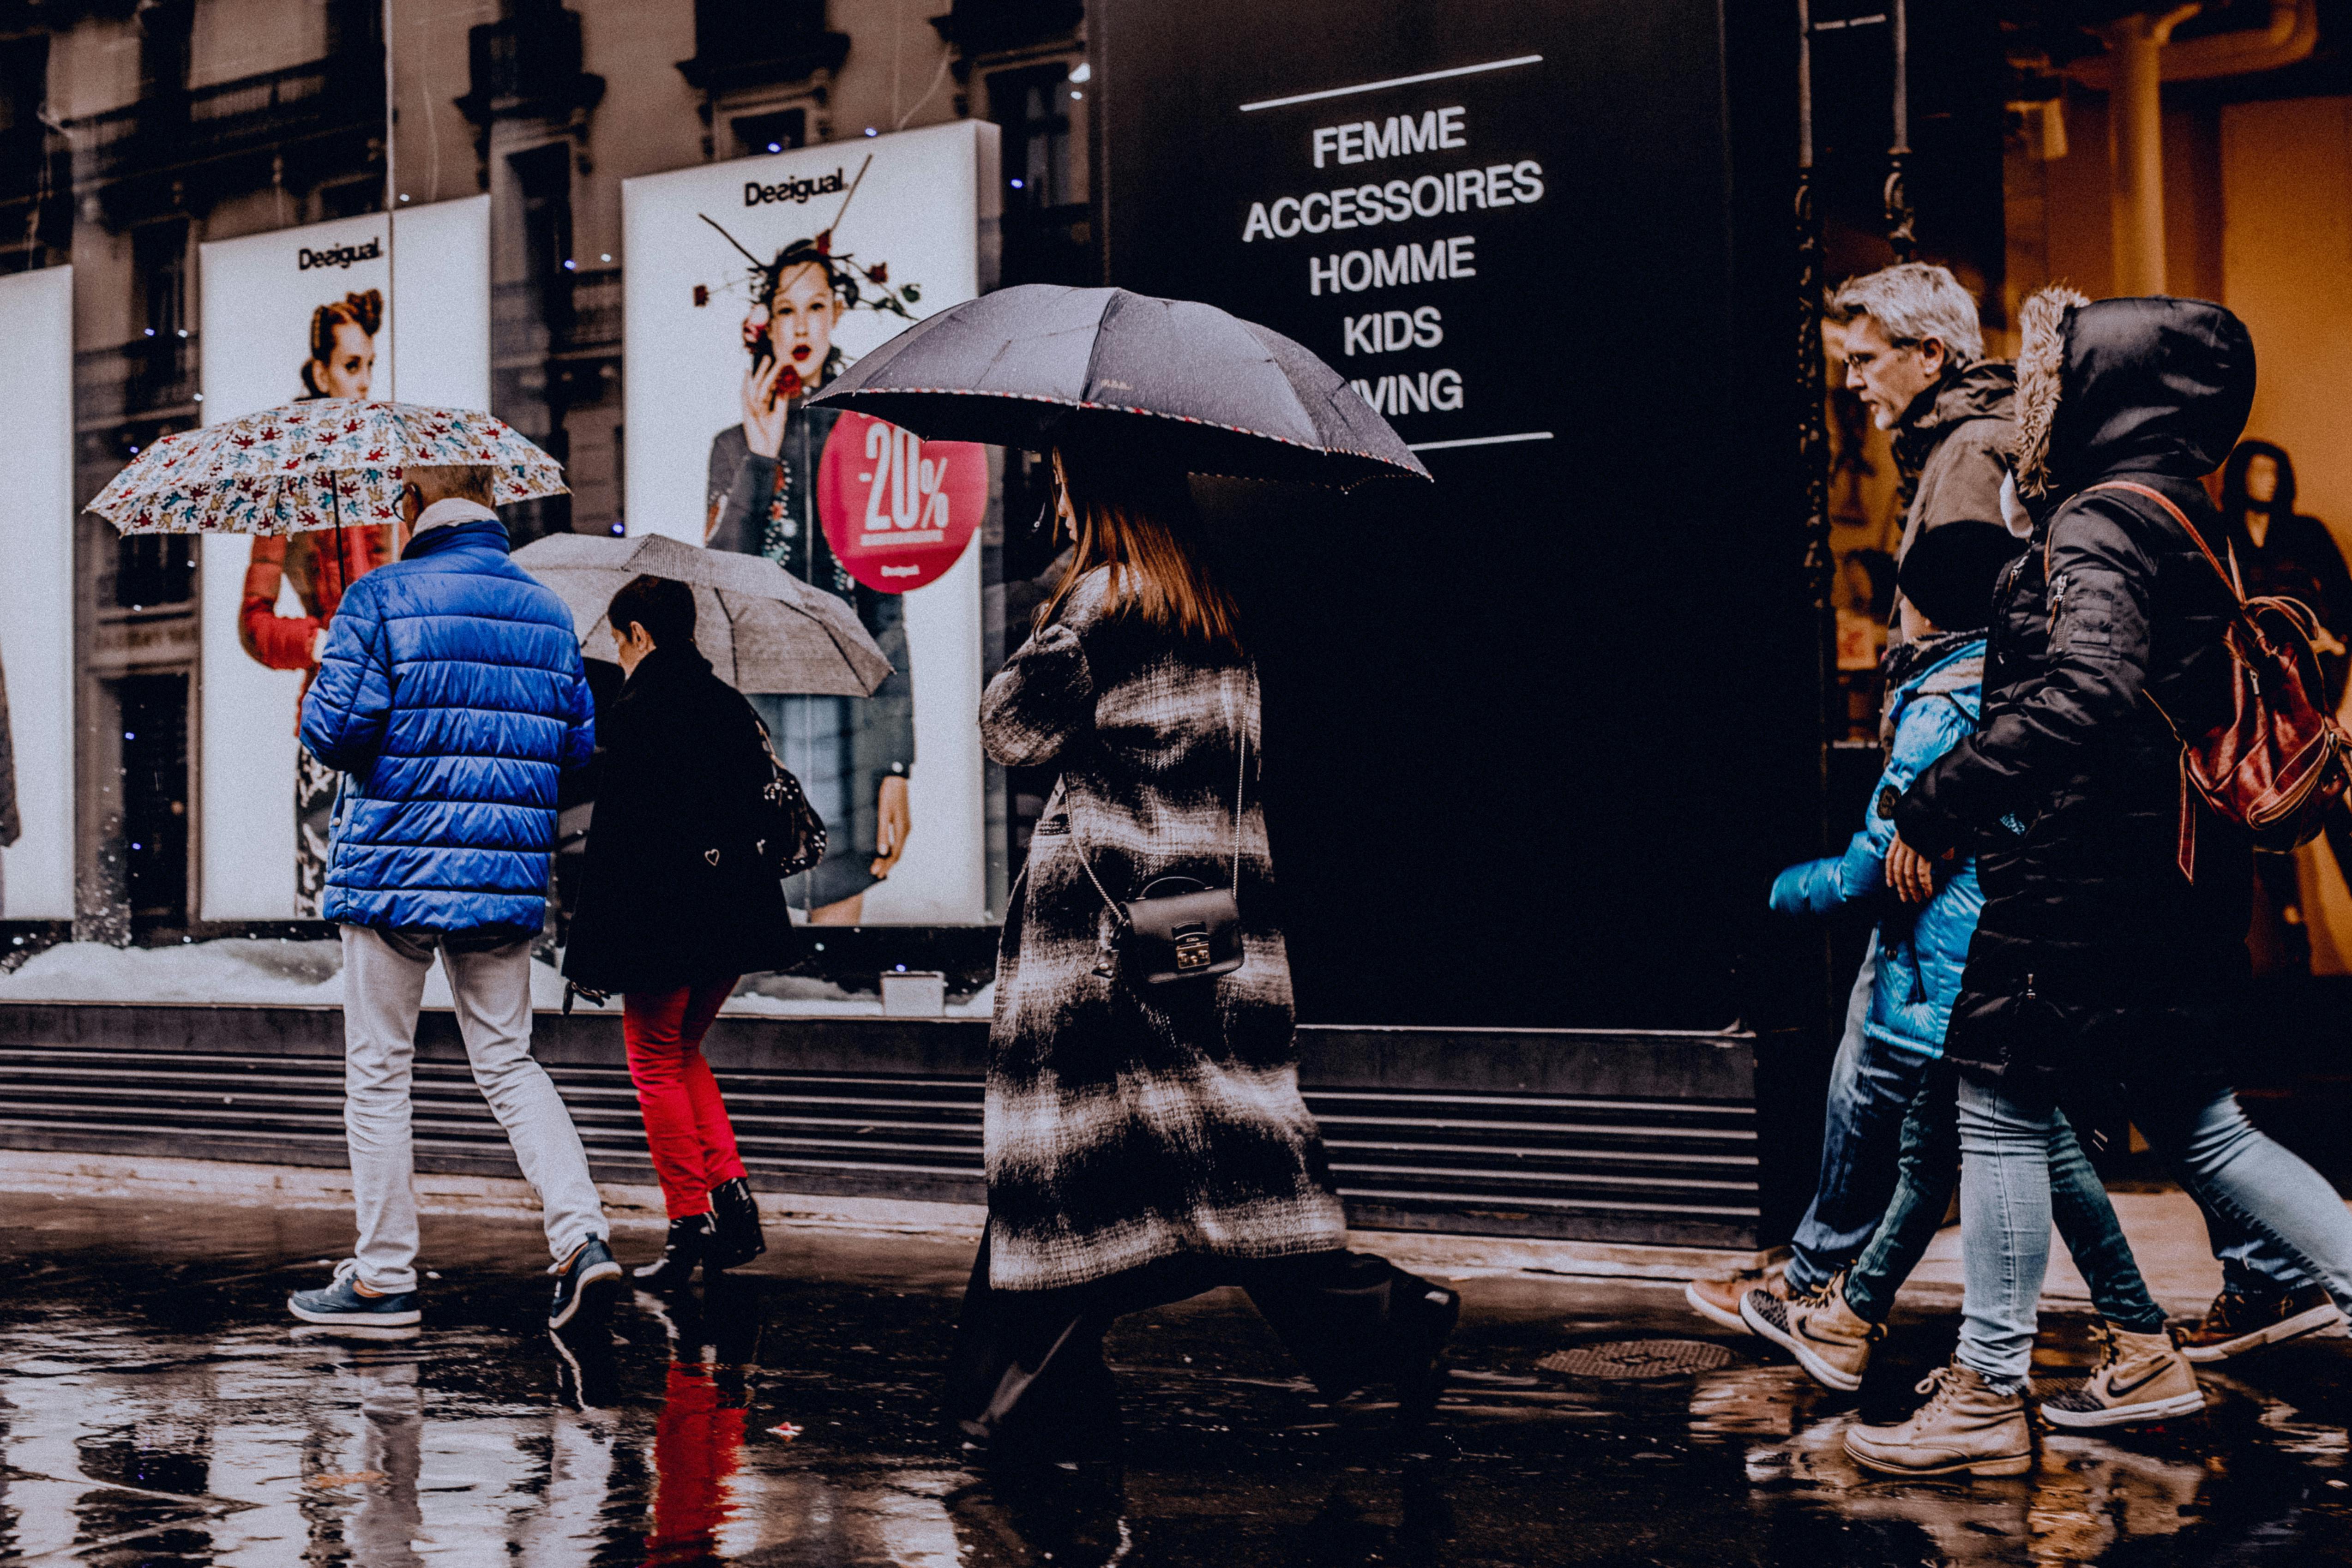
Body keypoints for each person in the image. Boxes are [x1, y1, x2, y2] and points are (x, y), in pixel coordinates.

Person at [1854, 289, 2352, 1476]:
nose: (2043, 394)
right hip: (2167, 879)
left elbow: (2084, 691)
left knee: (1995, 1104)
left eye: (2055, 374)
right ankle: (2098, 1363)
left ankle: (1983, 1391)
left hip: (2079, 881)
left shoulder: (2092, 521)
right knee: (2200, 1125)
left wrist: (1942, 796)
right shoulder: (2180, 507)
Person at [945, 440, 1458, 1457]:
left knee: (1075, 1169)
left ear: (1095, 485)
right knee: (1209, 1159)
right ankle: (1370, 1331)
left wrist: (1051, 611)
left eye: (1059, 469)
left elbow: (1008, 732)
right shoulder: (1208, 608)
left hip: (1101, 946)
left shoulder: (1100, 603)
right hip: (1197, 926)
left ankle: (1014, 1394)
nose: (1051, 484)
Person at [1738, 522, 2199, 1431]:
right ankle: (1852, 1315)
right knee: (1943, 1150)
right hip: (1988, 960)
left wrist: (1784, 891)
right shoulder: (2010, 679)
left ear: (1913, 604)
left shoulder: (1939, 698)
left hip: (1959, 973)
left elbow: (1878, 863)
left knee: (2030, 1152)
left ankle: (2131, 1344)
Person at [1689, 263, 2024, 1325]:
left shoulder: (1968, 454)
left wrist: (1922, 808)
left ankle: (1820, 1286)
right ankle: (1828, 1287)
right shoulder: (1961, 442)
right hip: (1955, 802)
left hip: (1943, 807)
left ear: (1928, 355)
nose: (1851, 385)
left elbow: (1970, 660)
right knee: (1940, 1098)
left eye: (1863, 360)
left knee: (1906, 1068)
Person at [287, 463, 620, 1333]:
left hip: (394, 876)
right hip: (503, 878)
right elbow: (579, 750)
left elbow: (332, 733)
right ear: (492, 503)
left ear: (410, 504)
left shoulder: (378, 596)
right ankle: (583, 1237)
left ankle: (385, 1275)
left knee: (379, 1073)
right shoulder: (550, 613)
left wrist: (336, 651)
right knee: (510, 1064)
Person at [561, 575, 800, 1289]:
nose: (617, 652)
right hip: (737, 913)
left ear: (636, 633)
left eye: (616, 638)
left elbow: (619, 843)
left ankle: (688, 1219)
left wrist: (592, 950)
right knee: (683, 1049)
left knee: (654, 1061)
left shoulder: (638, 709)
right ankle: (733, 1202)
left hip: (668, 917)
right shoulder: (728, 704)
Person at [706, 236, 915, 925]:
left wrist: (895, 766)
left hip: (846, 713)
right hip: (753, 715)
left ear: (836, 315)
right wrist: (760, 459)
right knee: (751, 936)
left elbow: (886, 612)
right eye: (785, 308)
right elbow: (720, 587)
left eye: (815, 306)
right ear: (764, 321)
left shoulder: (863, 436)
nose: (800, 325)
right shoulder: (733, 446)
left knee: (835, 928)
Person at [242, 288, 392, 914]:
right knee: (332, 910)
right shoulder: (289, 487)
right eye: (351, 366)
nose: (362, 382)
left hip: (397, 712)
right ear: (320, 371)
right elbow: (253, 625)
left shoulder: (388, 468)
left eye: (369, 366)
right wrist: (317, 641)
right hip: (329, 717)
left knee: (395, 907)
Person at [2218, 439, 2352, 977]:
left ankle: (2298, 927)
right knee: (2265, 796)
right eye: (2258, 470)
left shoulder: (2305, 534)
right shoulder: (2220, 531)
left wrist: (2335, 645)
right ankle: (2290, 924)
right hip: (2245, 686)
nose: (2267, 481)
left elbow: (2343, 600)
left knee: (2322, 788)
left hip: (2310, 680)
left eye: (2276, 471)